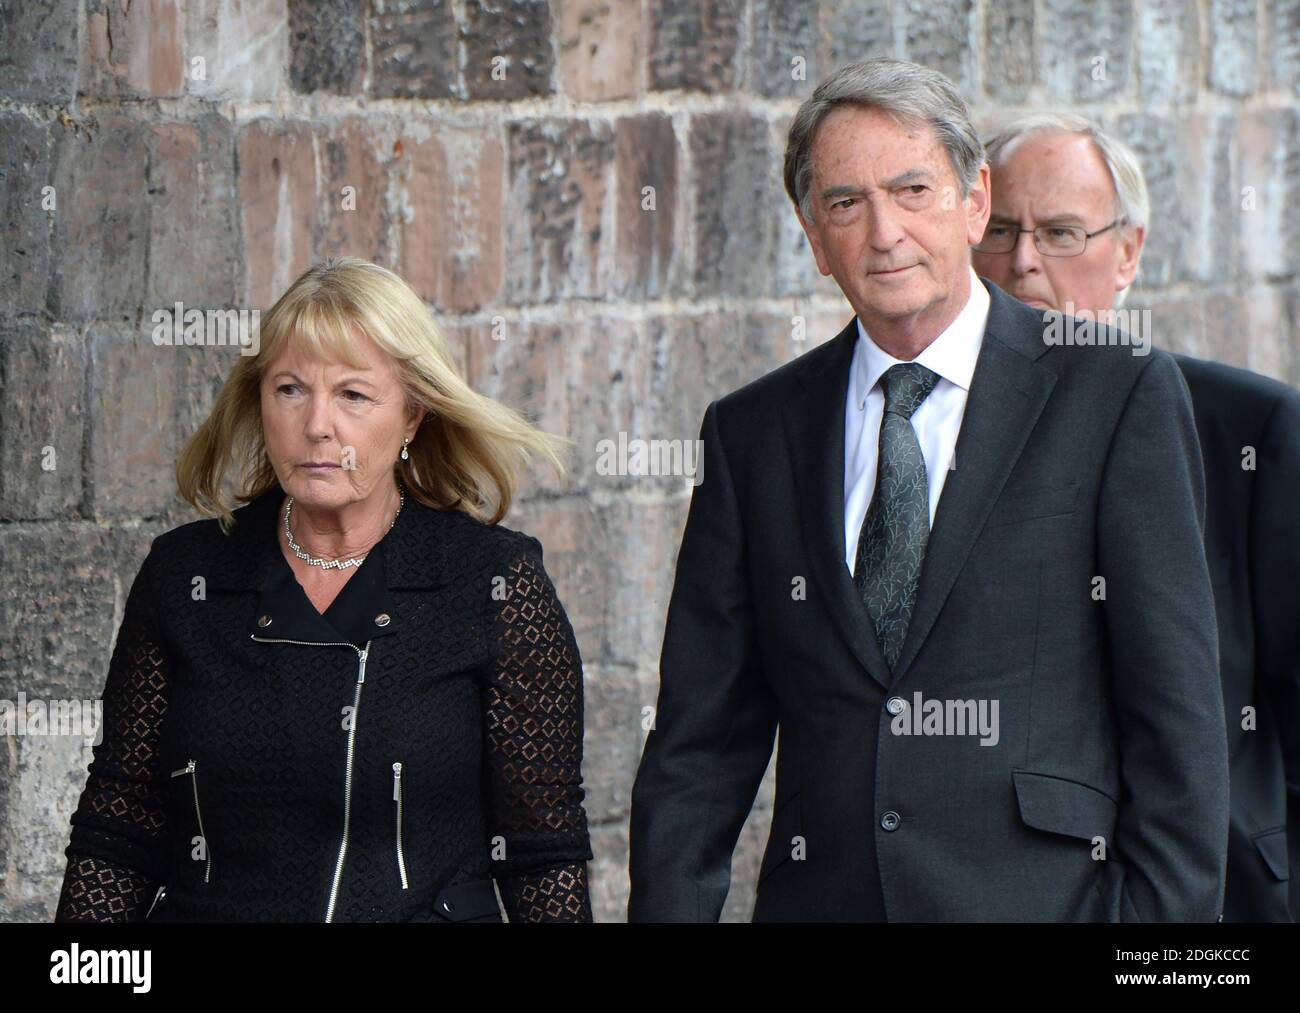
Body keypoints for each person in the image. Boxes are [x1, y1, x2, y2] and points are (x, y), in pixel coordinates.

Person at [627, 58, 1228, 922]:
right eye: (845, 203)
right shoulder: (753, 432)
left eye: (912, 190)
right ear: (811, 233)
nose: (884, 233)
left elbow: (1177, 719)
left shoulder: (1115, 391)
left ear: (974, 199)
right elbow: (699, 744)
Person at [54, 257, 594, 922]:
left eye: (353, 395)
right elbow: (120, 823)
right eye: (289, 389)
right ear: (259, 400)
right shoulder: (187, 576)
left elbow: (543, 851)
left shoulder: (492, 585)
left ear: (413, 415)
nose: (317, 425)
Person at [972, 112, 1300, 922]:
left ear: (1128, 252)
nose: (1024, 262)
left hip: (1225, 895)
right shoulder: (930, 431)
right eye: (1002, 229)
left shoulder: (1252, 427)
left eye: (1060, 233)